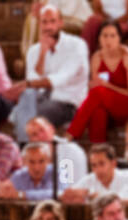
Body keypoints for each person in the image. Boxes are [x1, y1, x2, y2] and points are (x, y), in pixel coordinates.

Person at [10, 4, 90, 135]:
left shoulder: (77, 45)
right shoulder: (34, 50)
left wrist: (27, 84)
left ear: (61, 23)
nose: (48, 27)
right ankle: (26, 145)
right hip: (42, 99)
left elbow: (61, 78)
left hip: (68, 102)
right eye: (44, 22)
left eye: (52, 21)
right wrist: (42, 53)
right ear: (39, 24)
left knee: (31, 114)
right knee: (26, 97)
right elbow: (33, 81)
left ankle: (25, 146)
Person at [66, 19, 128, 143]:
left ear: (119, 38)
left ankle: (71, 134)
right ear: (99, 38)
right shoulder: (96, 57)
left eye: (112, 36)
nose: (108, 40)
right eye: (105, 36)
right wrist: (92, 86)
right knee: (97, 111)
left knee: (98, 92)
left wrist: (108, 86)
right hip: (107, 104)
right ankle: (98, 150)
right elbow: (96, 89)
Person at [62, 142, 128, 201]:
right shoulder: (89, 179)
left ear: (113, 164)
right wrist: (71, 195)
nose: (97, 170)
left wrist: (89, 194)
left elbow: (119, 200)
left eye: (102, 164)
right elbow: (65, 195)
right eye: (94, 165)